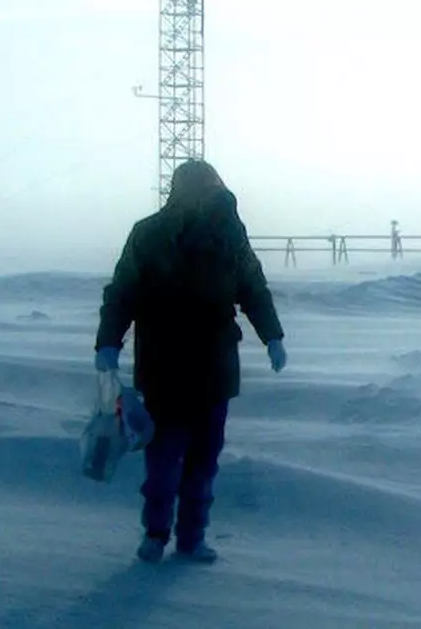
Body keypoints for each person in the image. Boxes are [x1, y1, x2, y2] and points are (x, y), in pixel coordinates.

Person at [93, 159, 287, 564]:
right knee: (180, 460)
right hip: (183, 368)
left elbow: (252, 287)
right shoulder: (160, 234)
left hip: (195, 367)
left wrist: (273, 335)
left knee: (184, 459)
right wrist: (107, 342)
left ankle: (176, 536)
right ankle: (169, 534)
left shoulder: (218, 235)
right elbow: (124, 291)